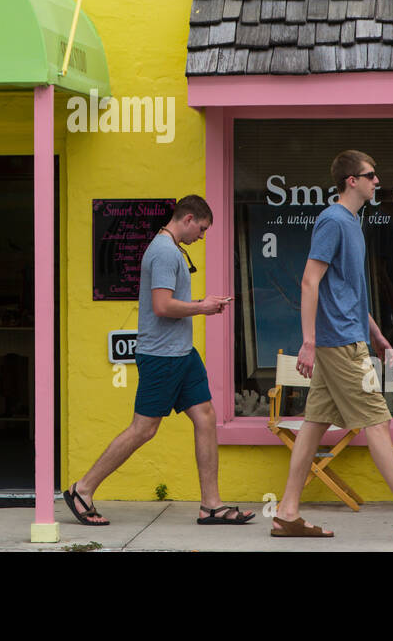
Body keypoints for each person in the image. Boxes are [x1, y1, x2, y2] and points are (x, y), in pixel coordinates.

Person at [270, 151, 393, 541]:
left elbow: (348, 290)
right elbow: (310, 282)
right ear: (350, 181)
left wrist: (374, 331)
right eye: (371, 176)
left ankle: (287, 513)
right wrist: (308, 341)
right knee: (377, 420)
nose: (378, 182)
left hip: (349, 337)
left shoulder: (353, 223)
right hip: (339, 344)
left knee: (313, 423)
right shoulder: (332, 220)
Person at [62, 195, 253, 526]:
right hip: (162, 356)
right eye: (203, 229)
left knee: (206, 417)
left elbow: (168, 303)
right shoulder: (164, 252)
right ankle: (82, 489)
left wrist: (199, 304)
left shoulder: (171, 248)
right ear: (188, 218)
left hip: (182, 354)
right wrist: (203, 306)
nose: (203, 236)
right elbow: (162, 306)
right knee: (144, 429)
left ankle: (211, 505)